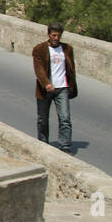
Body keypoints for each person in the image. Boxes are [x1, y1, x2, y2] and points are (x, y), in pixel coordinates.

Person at [32, 24, 77, 154]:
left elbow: (71, 68)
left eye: (58, 35)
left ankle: (65, 145)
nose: (56, 38)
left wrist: (71, 85)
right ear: (48, 34)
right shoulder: (39, 49)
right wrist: (46, 83)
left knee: (65, 118)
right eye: (54, 35)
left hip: (62, 88)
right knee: (42, 118)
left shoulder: (67, 49)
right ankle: (43, 142)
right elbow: (38, 69)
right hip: (45, 89)